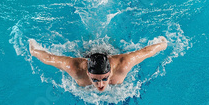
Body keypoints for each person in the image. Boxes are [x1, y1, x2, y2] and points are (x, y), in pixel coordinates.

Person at [29, 37, 168, 91]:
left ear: (111, 72)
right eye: (94, 80)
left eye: (105, 79)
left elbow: (146, 52)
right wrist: (34, 50)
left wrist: (162, 44)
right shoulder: (75, 68)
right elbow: (49, 58)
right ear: (87, 73)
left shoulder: (123, 64)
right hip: (86, 54)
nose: (100, 85)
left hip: (110, 52)